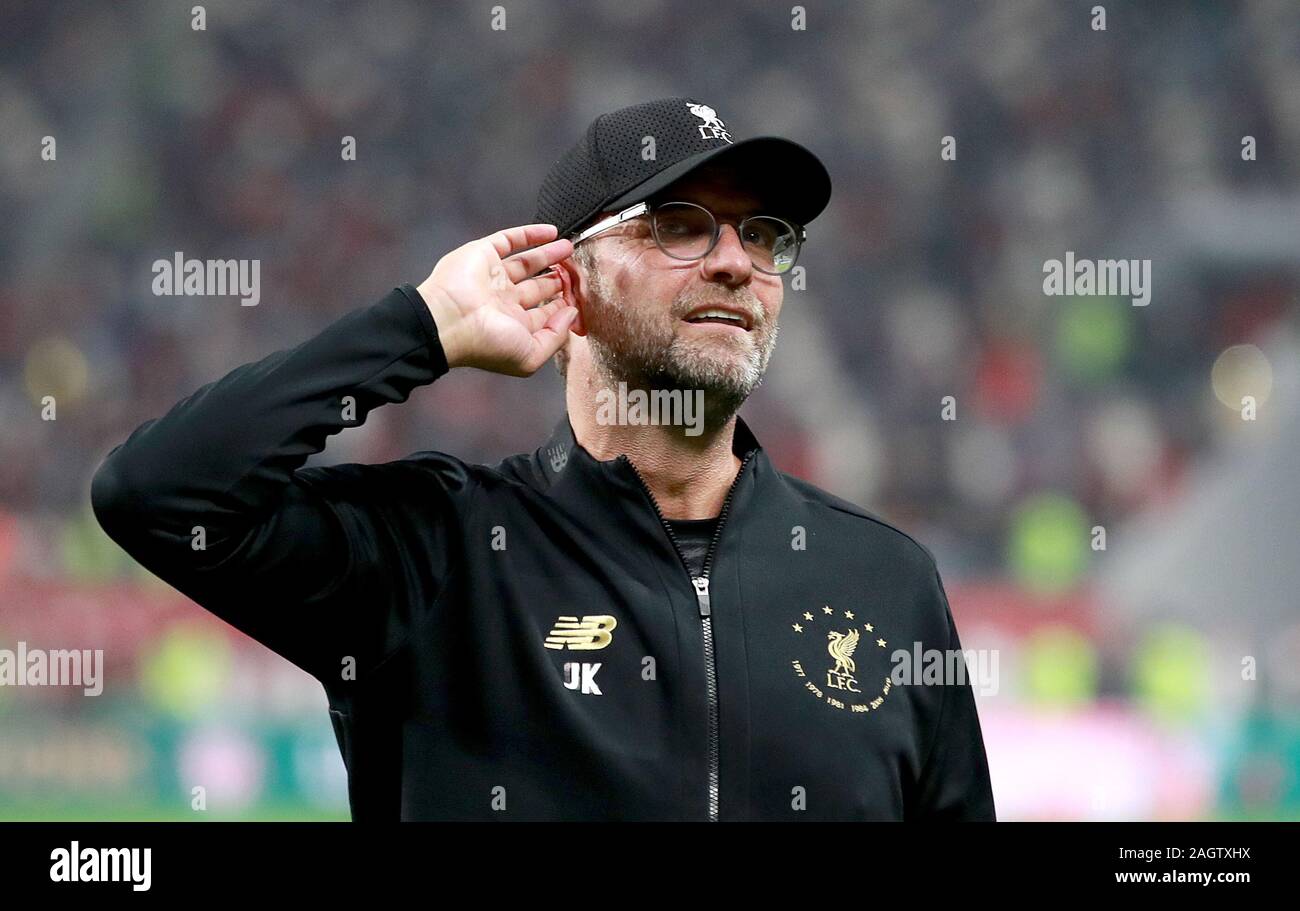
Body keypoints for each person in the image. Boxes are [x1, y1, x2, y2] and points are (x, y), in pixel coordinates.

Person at [91, 97, 995, 821]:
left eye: (763, 234)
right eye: (683, 225)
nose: (736, 262)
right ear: (567, 281)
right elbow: (157, 494)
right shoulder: (436, 553)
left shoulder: (886, 579)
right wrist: (419, 329)